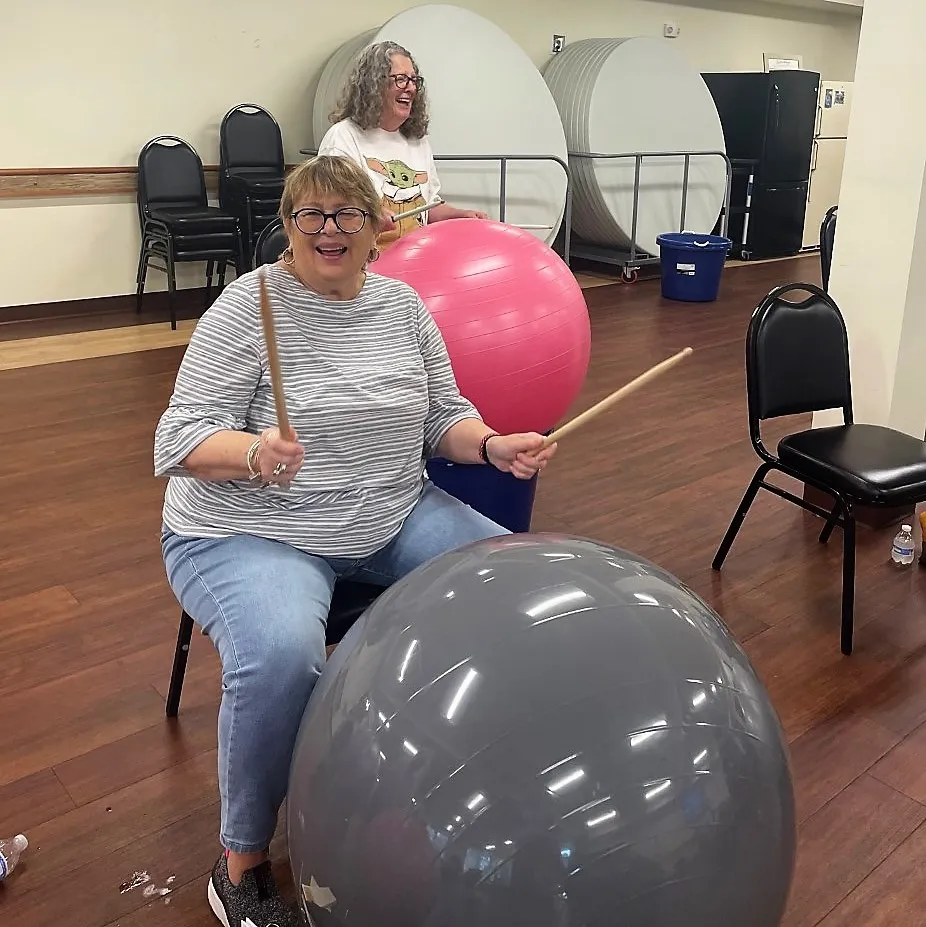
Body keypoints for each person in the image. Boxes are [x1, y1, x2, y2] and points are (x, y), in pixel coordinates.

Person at [153, 153, 556, 927]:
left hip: (389, 512)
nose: (328, 229)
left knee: (510, 584)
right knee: (280, 655)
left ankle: (454, 777)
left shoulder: (403, 306)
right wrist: (252, 451)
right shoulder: (249, 306)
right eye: (310, 213)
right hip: (255, 531)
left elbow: (443, 415)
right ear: (289, 225)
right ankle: (240, 864)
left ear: (379, 228)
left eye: (347, 214)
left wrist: (491, 443)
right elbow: (176, 439)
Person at [317, 40, 489, 249]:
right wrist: (369, 215)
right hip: (365, 262)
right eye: (401, 79)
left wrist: (460, 216)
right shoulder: (342, 138)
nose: (411, 88)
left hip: (414, 259)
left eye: (414, 80)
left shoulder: (418, 141)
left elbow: (427, 209)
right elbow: (331, 211)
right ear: (373, 85)